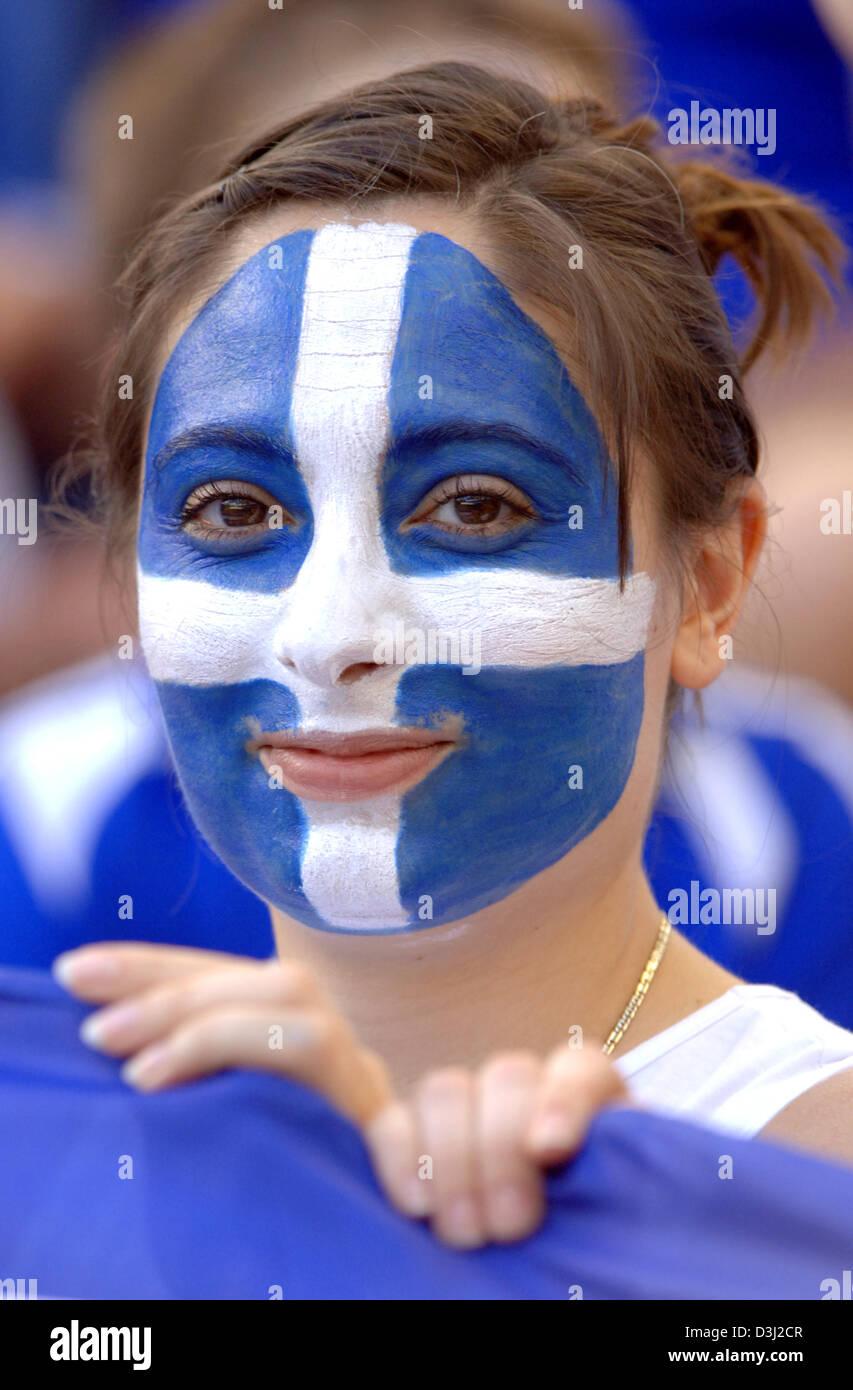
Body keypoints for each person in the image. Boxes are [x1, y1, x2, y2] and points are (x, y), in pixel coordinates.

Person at [49, 60, 853, 1252]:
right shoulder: (58, 1153)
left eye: (474, 507)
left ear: (708, 583)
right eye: (232, 512)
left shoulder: (805, 1178)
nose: (331, 638)